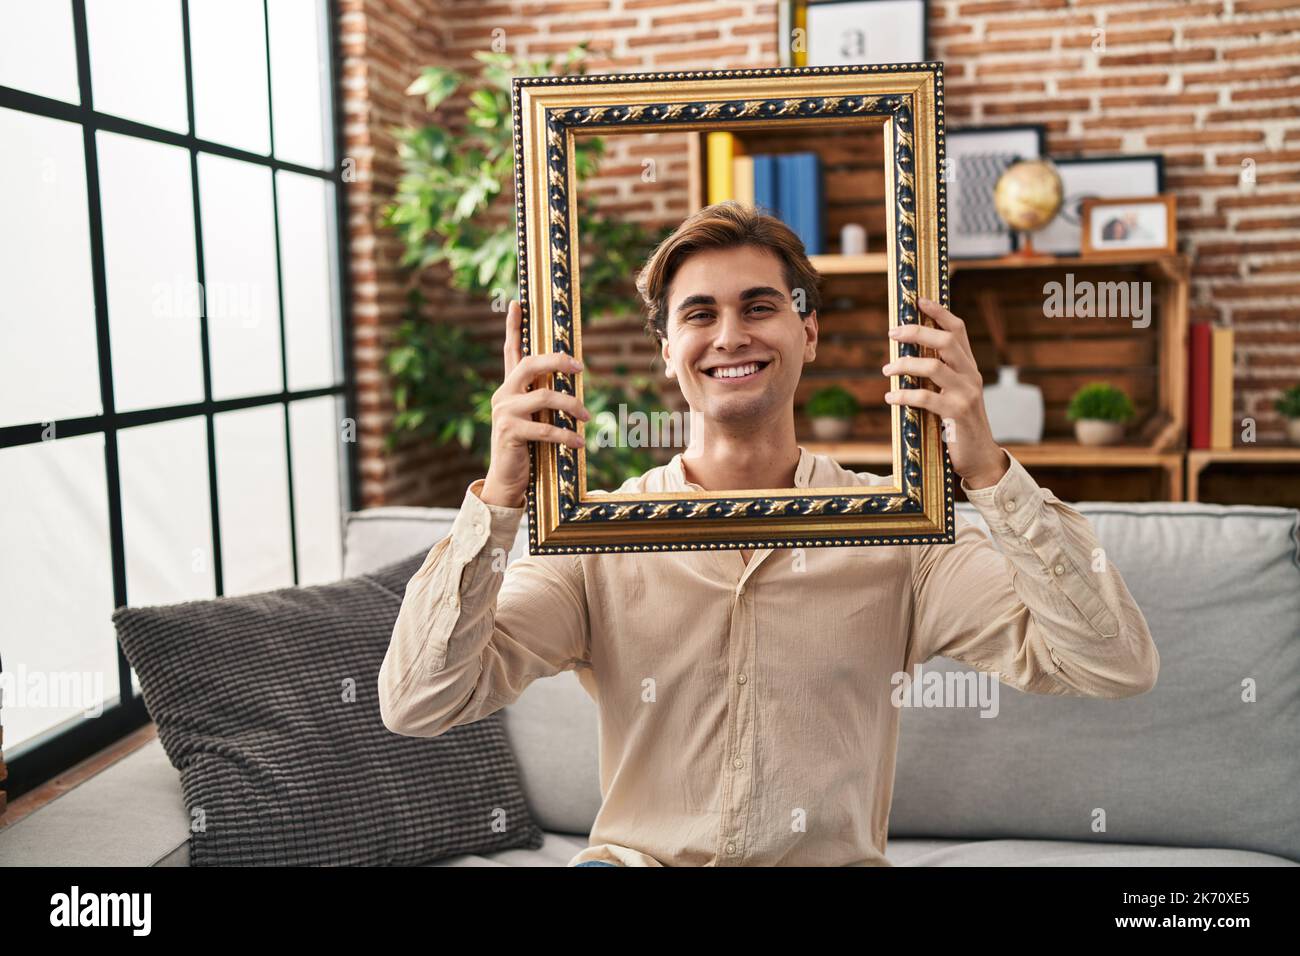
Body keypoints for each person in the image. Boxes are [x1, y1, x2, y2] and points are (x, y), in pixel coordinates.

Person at [378, 200, 1159, 867]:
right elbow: (417, 702)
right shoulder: (599, 537)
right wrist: (502, 492)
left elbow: (1112, 663)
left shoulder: (902, 531)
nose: (730, 336)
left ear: (807, 332)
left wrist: (986, 467)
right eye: (699, 314)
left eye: (759, 306)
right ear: (666, 352)